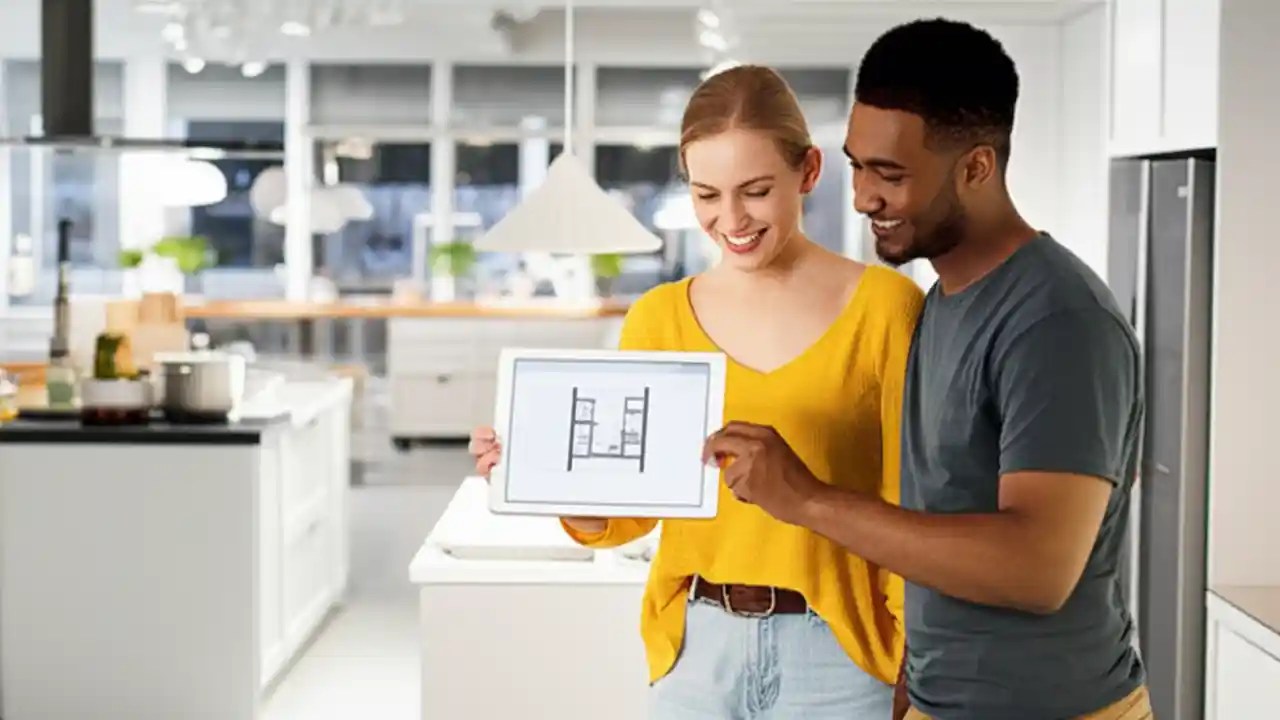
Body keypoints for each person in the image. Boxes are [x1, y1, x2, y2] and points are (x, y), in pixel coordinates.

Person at [702, 18, 1151, 720]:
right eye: (857, 165)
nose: (861, 197)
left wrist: (808, 499)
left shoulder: (1058, 319)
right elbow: (936, 515)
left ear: (976, 167)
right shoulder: (941, 301)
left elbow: (1037, 568)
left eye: (891, 175)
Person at [469, 64, 924, 718]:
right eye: (707, 195)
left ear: (809, 172)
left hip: (843, 654)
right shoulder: (660, 317)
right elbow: (630, 511)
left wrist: (916, 660)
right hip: (697, 648)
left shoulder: (886, 308)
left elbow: (913, 499)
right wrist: (543, 477)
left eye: (756, 190)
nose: (730, 219)